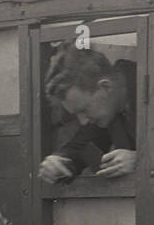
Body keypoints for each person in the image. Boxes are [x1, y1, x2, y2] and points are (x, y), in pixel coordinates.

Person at [38, 43, 137, 184]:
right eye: (76, 114)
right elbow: (82, 143)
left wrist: (142, 161)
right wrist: (58, 161)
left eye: (84, 110)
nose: (83, 121)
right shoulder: (108, 105)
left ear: (105, 86)